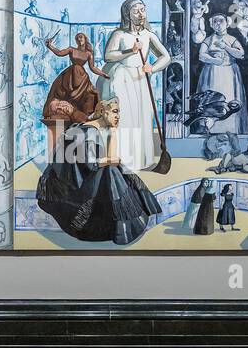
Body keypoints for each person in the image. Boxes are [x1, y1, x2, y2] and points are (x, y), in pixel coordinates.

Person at [34, 98, 162, 246]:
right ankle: (123, 227)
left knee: (114, 169)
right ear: (102, 112)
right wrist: (114, 160)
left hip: (84, 178)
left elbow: (108, 158)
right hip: (73, 191)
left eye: (119, 112)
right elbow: (92, 165)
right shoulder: (87, 131)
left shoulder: (97, 129)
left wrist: (113, 133)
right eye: (114, 111)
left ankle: (124, 225)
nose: (118, 116)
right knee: (112, 171)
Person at [96, 0, 171, 173]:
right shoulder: (119, 34)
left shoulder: (149, 35)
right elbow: (108, 56)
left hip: (140, 78)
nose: (141, 14)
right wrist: (131, 51)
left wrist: (152, 68)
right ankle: (122, 160)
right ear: (127, 14)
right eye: (136, 10)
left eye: (143, 10)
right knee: (125, 118)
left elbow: (166, 57)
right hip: (122, 79)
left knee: (143, 117)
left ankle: (141, 161)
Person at [42, 31, 106, 156]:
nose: (79, 39)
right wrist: (50, 46)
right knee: (62, 91)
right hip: (69, 76)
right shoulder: (71, 49)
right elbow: (60, 53)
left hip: (82, 78)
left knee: (92, 94)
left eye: (81, 37)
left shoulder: (88, 54)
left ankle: (86, 118)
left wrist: (103, 74)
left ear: (85, 39)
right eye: (77, 38)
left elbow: (92, 68)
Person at [195, 14, 248, 134]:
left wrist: (226, 47)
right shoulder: (208, 39)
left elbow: (241, 54)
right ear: (212, 24)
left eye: (221, 21)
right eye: (215, 22)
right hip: (211, 74)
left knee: (230, 101)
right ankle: (210, 130)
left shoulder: (231, 39)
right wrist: (214, 60)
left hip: (229, 74)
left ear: (227, 23)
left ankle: (231, 130)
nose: (218, 24)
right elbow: (201, 55)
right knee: (212, 102)